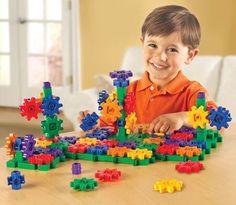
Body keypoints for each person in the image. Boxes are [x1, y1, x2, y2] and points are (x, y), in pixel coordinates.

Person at [78, 5, 216, 134]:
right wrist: (93, 122)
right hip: (133, 157)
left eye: (172, 49)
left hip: (176, 159)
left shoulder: (193, 92)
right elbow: (109, 125)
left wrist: (182, 118)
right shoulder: (127, 92)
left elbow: (214, 119)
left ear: (190, 55)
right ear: (142, 43)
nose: (160, 56)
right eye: (152, 45)